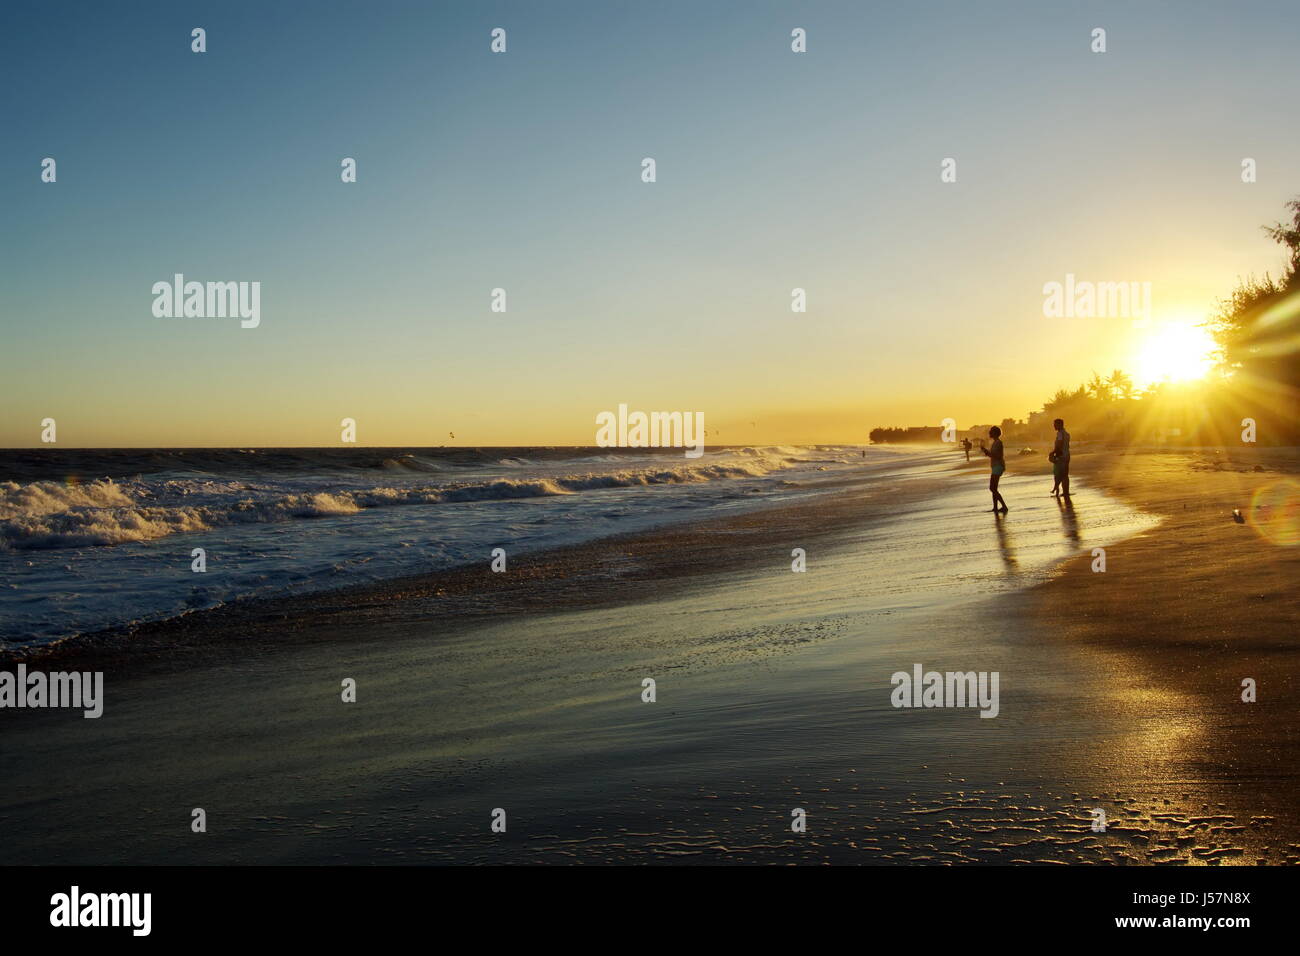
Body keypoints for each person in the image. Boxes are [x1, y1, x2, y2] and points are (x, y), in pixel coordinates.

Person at [979, 426, 1009, 513]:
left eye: (991, 432)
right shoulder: (996, 442)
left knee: (992, 488)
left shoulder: (998, 443)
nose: (989, 433)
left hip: (998, 466)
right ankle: (995, 507)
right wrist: (986, 451)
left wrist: (986, 451)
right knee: (994, 488)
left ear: (995, 433)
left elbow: (996, 455)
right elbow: (993, 454)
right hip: (996, 466)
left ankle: (1004, 506)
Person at [1051, 418, 1071, 498]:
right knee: (1065, 475)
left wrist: (1052, 453)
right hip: (1067, 455)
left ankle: (1063, 492)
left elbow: (1059, 444)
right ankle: (1066, 492)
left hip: (1061, 456)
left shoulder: (1060, 433)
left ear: (1059, 425)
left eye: (1055, 424)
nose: (1054, 426)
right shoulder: (1066, 433)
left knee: (1061, 475)